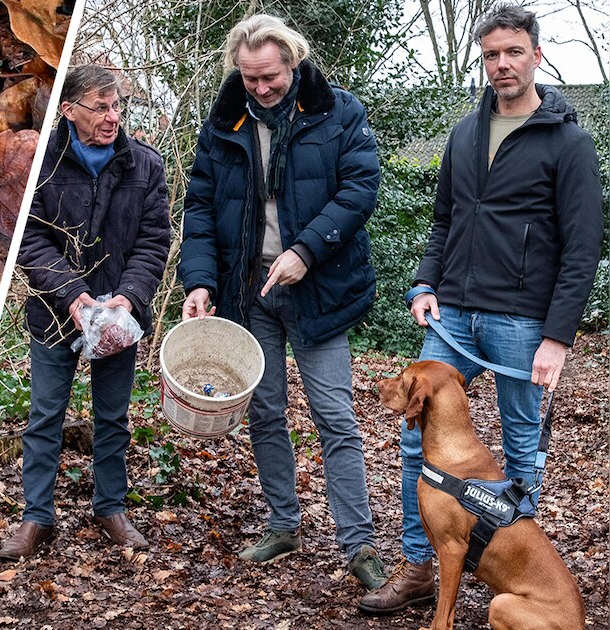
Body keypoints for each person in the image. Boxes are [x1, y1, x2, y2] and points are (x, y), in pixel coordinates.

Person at [359, 2, 603, 614]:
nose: (502, 64)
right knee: (415, 444)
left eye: (514, 52)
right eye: (491, 54)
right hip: (452, 318)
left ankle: (513, 572)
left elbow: (582, 248)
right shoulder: (465, 133)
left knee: (520, 452)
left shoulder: (569, 143)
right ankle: (420, 566)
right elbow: (444, 220)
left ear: (536, 56)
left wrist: (558, 336)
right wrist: (424, 283)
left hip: (523, 322)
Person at [178, 14, 387, 589]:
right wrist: (200, 281)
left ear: (293, 63)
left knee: (335, 417)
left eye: (270, 76)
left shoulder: (339, 112)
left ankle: (359, 544)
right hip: (249, 291)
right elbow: (200, 208)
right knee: (264, 411)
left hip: (318, 289)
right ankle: (283, 525)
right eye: (250, 78)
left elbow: (359, 190)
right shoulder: (223, 122)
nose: (261, 88)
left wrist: (306, 250)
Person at [0, 65, 171, 560]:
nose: (113, 117)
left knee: (112, 417)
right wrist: (72, 295)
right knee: (44, 415)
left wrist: (128, 298)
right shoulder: (42, 163)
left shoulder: (144, 165)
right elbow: (28, 238)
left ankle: (110, 508)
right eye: (101, 107)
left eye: (117, 106)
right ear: (69, 110)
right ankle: (37, 517)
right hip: (54, 313)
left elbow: (154, 240)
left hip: (118, 317)